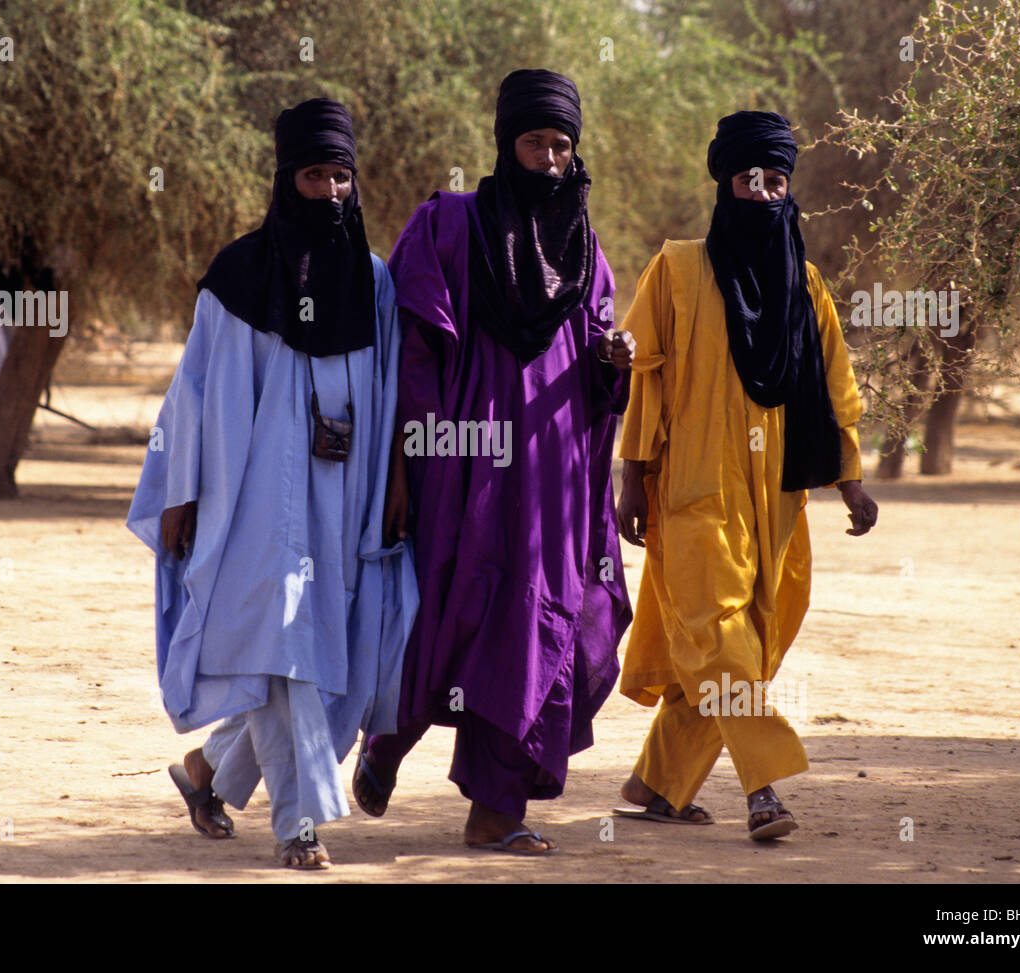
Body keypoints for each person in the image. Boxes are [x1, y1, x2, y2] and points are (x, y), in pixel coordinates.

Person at [126, 98, 417, 869]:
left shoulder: (376, 283)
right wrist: (181, 494)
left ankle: (208, 773)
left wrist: (395, 483)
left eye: (341, 176)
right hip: (253, 502)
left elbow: (392, 392)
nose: (328, 192)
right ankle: (298, 825)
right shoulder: (239, 276)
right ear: (286, 179)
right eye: (313, 174)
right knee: (286, 648)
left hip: (347, 499)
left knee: (326, 659)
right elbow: (195, 395)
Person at [354, 69, 634, 855]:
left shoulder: (586, 250)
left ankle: (496, 809)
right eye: (534, 142)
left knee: (535, 622)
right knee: (450, 607)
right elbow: (415, 348)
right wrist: (411, 458)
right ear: (506, 144)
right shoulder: (450, 225)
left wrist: (616, 359)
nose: (548, 158)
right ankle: (391, 738)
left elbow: (600, 363)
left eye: (560, 144)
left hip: (553, 481)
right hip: (462, 460)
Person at [612, 110, 878, 840]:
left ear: (788, 189)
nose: (762, 193)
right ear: (725, 184)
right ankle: (763, 787)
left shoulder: (808, 283)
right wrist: (632, 477)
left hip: (778, 499)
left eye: (776, 180)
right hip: (694, 491)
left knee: (752, 640)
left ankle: (657, 785)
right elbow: (646, 378)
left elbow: (834, 385)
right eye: (748, 179)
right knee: (722, 636)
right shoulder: (678, 267)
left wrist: (849, 479)